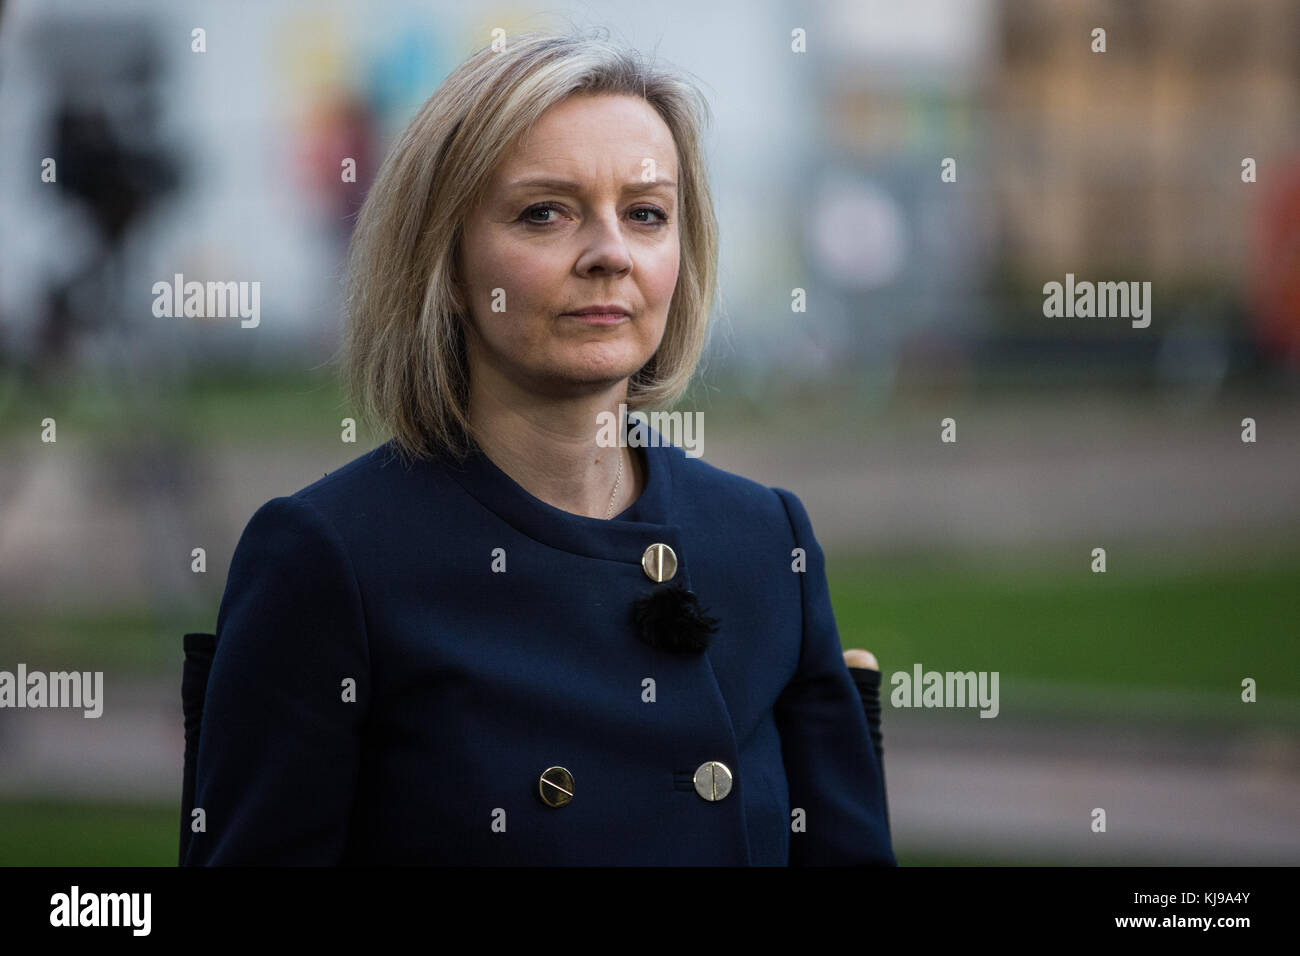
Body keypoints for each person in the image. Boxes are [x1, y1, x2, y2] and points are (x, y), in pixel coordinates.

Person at [183, 29, 894, 866]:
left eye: (646, 213)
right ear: (444, 263)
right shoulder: (331, 557)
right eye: (544, 213)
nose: (609, 254)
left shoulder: (767, 542)